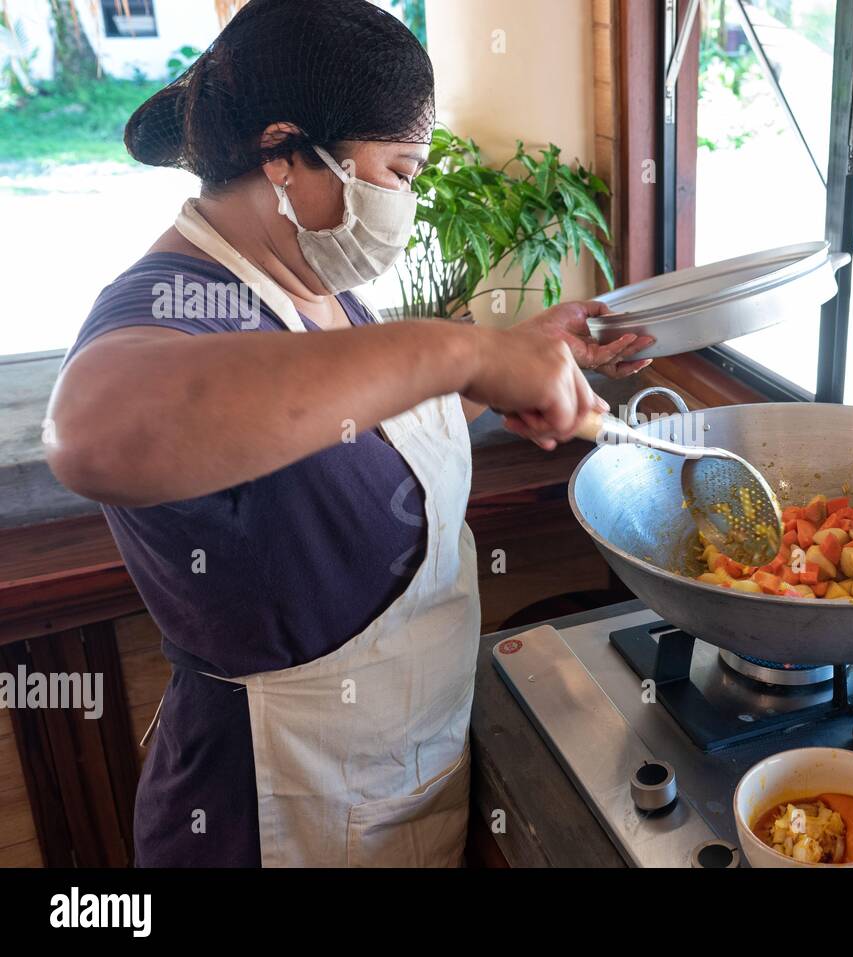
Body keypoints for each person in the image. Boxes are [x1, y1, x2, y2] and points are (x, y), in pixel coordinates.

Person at [44, 0, 650, 867]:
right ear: (287, 153)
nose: (406, 197)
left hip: (396, 776)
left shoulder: (312, 278)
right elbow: (91, 433)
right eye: (399, 169)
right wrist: (458, 348)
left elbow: (356, 436)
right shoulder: (176, 301)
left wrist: (512, 355)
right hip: (276, 809)